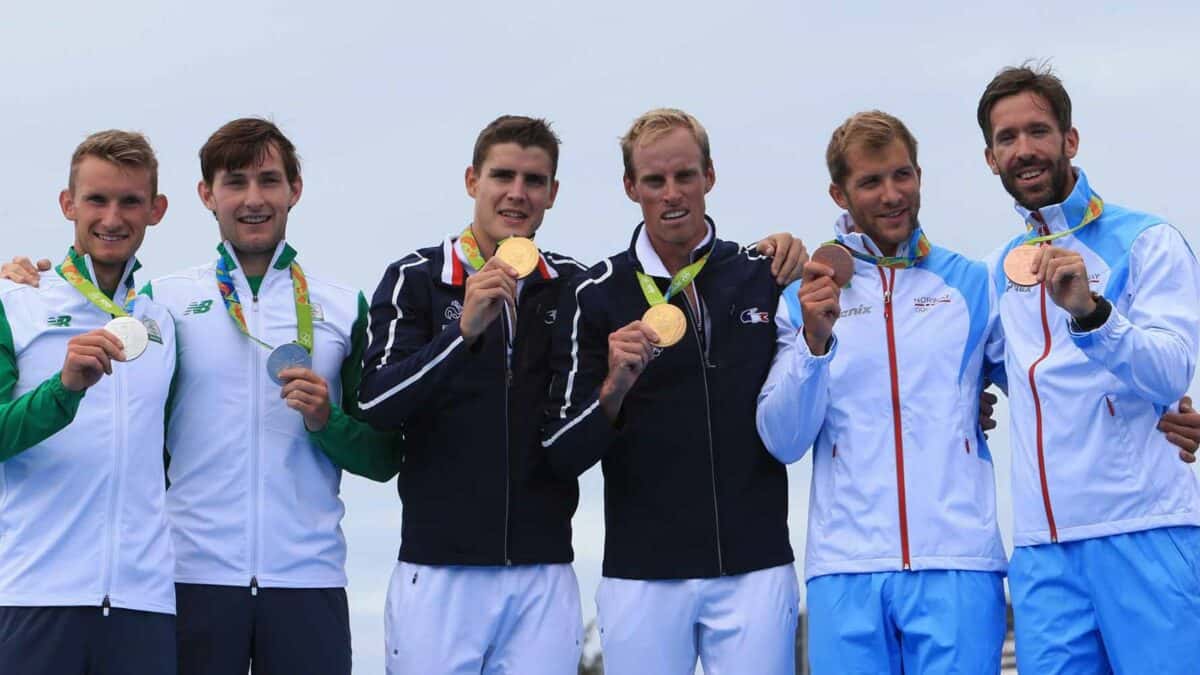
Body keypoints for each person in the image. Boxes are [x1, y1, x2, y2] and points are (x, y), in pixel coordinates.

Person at [357, 114, 806, 675]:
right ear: (472, 180)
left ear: (553, 194)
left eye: (535, 180)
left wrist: (772, 248)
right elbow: (375, 404)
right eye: (503, 176)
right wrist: (462, 333)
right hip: (437, 567)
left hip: (545, 571)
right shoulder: (416, 277)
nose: (517, 194)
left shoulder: (575, 285)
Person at [4, 119, 401, 674]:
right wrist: (27, 279)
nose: (254, 199)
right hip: (189, 577)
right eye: (235, 182)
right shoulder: (158, 307)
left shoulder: (342, 306)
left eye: (269, 180)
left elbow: (384, 459)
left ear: (296, 189)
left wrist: (324, 420)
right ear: (206, 195)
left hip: (308, 577)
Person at [541, 109, 800, 675]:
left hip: (756, 566)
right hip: (642, 574)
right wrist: (614, 387)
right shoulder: (595, 293)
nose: (672, 194)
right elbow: (562, 451)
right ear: (631, 187)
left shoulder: (763, 272)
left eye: (685, 176)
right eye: (654, 181)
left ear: (709, 175)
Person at [756, 111, 1008, 673]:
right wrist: (815, 343)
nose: (892, 195)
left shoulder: (971, 282)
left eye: (902, 176)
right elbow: (782, 439)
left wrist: (1167, 411)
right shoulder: (803, 295)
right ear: (839, 193)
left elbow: (1043, 381)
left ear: (919, 174)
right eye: (871, 182)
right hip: (845, 568)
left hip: (958, 560)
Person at [978, 63, 1200, 673]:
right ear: (991, 159)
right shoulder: (999, 268)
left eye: (1038, 132)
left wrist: (1093, 313)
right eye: (1006, 139)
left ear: (1070, 141)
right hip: (1043, 553)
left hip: (1146, 531)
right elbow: (979, 370)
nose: (1024, 150)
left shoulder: (1148, 240)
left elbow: (1172, 368)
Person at [0, 130, 178, 673]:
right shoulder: (16, 302)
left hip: (144, 602)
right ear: (67, 203)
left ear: (156, 210)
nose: (112, 217)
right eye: (97, 199)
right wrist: (64, 389)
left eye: (130, 201)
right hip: (33, 593)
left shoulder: (165, 320)